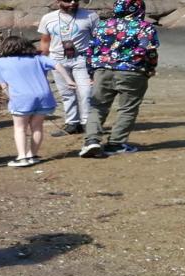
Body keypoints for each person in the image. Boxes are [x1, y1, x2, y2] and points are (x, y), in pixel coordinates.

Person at [81, 0, 159, 158]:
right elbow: (149, 51)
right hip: (132, 72)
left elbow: (90, 51)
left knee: (97, 107)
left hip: (102, 70)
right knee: (127, 109)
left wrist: (91, 72)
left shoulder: (102, 25)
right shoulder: (144, 27)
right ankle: (115, 144)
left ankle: (92, 141)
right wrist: (151, 68)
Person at [0, 36, 57, 166]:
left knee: (20, 128)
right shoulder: (38, 58)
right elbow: (57, 64)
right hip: (43, 96)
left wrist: (10, 96)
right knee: (37, 127)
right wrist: (70, 81)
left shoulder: (0, 61)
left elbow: (3, 84)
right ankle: (32, 155)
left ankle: (22, 157)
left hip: (21, 98)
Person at [38, 0, 98, 137]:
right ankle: (72, 123)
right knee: (66, 93)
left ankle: (87, 123)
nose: (72, 2)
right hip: (57, 59)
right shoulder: (48, 18)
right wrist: (41, 61)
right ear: (58, 1)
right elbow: (45, 40)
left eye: (76, 0)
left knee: (86, 92)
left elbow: (98, 39)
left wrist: (96, 62)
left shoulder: (91, 16)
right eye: (67, 0)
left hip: (82, 58)